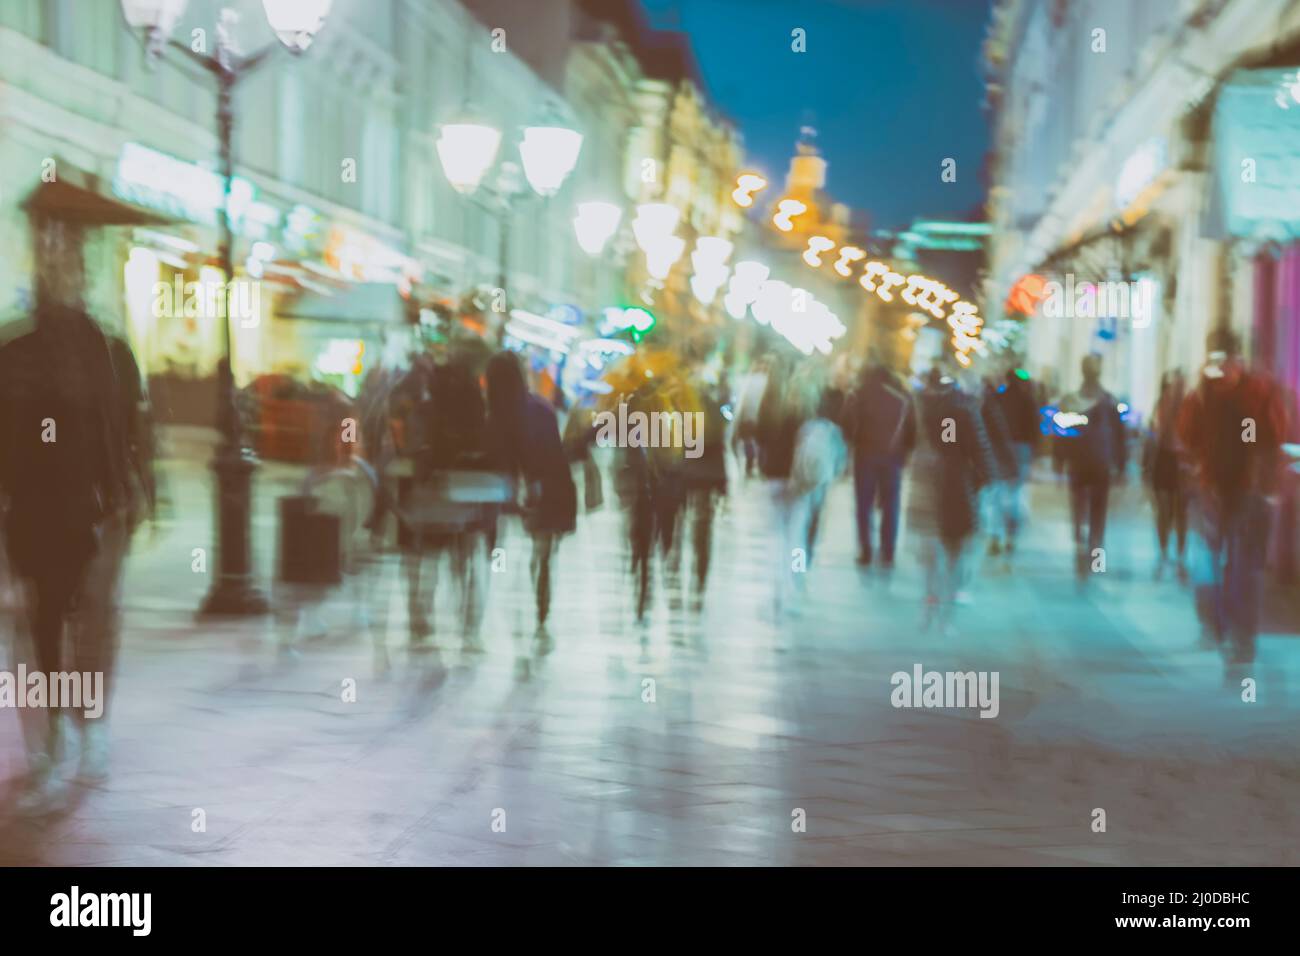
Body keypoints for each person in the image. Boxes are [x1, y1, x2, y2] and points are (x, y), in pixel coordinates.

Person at [0, 214, 154, 812]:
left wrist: (137, 488)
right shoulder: (14, 348)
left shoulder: (112, 350)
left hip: (99, 509)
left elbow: (134, 428)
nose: (61, 268)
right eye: (51, 257)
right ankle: (49, 733)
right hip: (34, 510)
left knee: (94, 621)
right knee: (38, 622)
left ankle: (88, 724)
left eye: (71, 259)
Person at [1177, 330, 1286, 679]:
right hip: (1222, 490)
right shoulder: (1216, 392)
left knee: (1239, 567)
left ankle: (1235, 640)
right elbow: (1189, 435)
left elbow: (1263, 435)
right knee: (1221, 565)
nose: (1221, 367)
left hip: (1242, 492)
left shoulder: (1249, 392)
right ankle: (1227, 633)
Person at [485, 351, 577, 639]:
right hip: (552, 488)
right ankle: (541, 593)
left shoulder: (494, 417)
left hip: (526, 490)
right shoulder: (540, 408)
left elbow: (498, 460)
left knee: (533, 548)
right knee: (543, 550)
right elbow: (555, 456)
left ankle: (535, 590)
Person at [907, 366, 995, 631]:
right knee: (955, 551)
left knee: (929, 550)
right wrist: (980, 483)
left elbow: (904, 440)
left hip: (925, 482)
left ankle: (929, 601)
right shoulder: (964, 408)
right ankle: (946, 612)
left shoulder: (920, 406)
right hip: (957, 487)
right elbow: (981, 454)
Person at [1055, 354, 1127, 578]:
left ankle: (1080, 540)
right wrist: (1121, 465)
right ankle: (1095, 554)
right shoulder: (1109, 401)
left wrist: (1059, 460)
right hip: (1101, 463)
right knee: (1099, 510)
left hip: (1078, 462)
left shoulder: (1070, 400)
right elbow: (1119, 436)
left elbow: (1062, 434)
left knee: (1079, 504)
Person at [840, 360, 917, 568]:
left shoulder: (858, 394)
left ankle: (865, 549)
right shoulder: (903, 398)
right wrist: (906, 451)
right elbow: (912, 429)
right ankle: (888, 550)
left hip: (864, 455)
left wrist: (854, 444)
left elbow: (846, 425)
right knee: (891, 504)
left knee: (863, 504)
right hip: (893, 458)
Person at [1144, 370, 1189, 581]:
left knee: (1180, 511)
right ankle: (1163, 552)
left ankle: (1179, 554)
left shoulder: (1190, 407)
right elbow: (1157, 435)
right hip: (1164, 460)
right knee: (1164, 509)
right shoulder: (1162, 405)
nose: (1178, 390)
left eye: (1181, 386)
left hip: (1181, 462)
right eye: (1175, 386)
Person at [995, 366, 1040, 553]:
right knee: (1016, 491)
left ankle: (996, 533)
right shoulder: (1028, 400)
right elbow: (1034, 428)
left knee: (999, 490)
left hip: (1000, 449)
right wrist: (1034, 451)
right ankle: (1011, 534)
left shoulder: (998, 399)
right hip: (1021, 449)